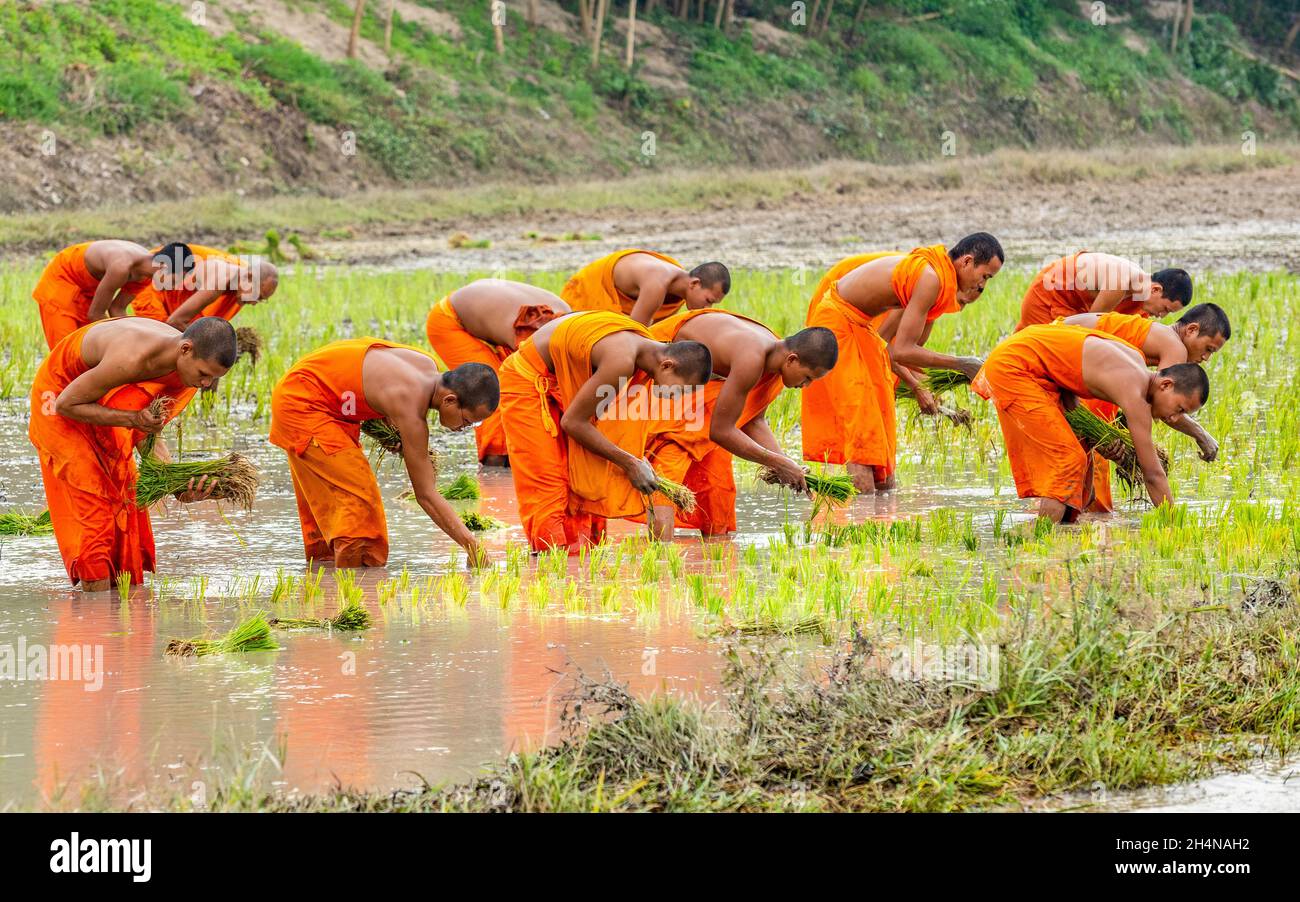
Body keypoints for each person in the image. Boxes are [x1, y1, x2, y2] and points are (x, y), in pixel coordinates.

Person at [29, 317, 235, 590]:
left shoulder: (185, 371)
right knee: (95, 504)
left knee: (125, 496)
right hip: (58, 397)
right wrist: (132, 419)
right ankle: (94, 614)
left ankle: (122, 617)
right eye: (204, 374)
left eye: (213, 378)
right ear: (185, 349)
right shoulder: (131, 357)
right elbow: (66, 404)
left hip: (100, 397)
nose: (206, 384)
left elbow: (147, 434)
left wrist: (178, 487)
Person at [269, 339, 499, 568]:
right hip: (303, 404)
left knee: (332, 505)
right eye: (468, 421)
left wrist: (389, 429)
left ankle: (324, 581)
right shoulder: (409, 406)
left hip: (320, 397)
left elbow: (367, 385)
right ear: (450, 400)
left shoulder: (424, 363)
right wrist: (472, 546)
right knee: (360, 506)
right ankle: (354, 589)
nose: (464, 428)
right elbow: (426, 495)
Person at [801, 234, 1004, 492]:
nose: (983, 287)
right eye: (985, 276)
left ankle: (881, 508)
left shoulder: (935, 284)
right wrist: (962, 364)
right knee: (862, 425)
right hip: (837, 323)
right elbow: (903, 350)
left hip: (863, 331)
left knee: (882, 421)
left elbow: (885, 343)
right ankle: (863, 517)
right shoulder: (929, 277)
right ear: (967, 262)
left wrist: (917, 385)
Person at [496, 311, 711, 552]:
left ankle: (582, 560)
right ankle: (553, 562)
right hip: (527, 380)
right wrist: (629, 463)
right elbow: (575, 423)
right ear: (668, 365)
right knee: (548, 483)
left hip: (559, 382)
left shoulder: (642, 345)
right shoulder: (622, 361)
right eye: (681, 389)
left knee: (585, 469)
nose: (677, 397)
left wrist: (629, 457)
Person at [975, 324, 1209, 522]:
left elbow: (1068, 366)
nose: (1175, 418)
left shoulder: (1135, 359)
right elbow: (1153, 474)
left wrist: (1100, 436)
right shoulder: (1135, 393)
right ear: (1166, 385)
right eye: (1179, 409)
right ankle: (1039, 543)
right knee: (1068, 459)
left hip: (1034, 367)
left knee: (1084, 462)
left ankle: (1063, 535)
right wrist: (1173, 524)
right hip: (1015, 368)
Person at [639, 309, 837, 538]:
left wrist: (785, 463)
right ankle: (662, 561)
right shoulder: (752, 358)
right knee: (669, 467)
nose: (806, 385)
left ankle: (714, 560)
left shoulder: (776, 357)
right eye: (808, 378)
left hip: (701, 398)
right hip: (663, 374)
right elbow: (721, 431)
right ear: (792, 359)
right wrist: (779, 463)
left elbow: (753, 420)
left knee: (716, 485)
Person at [425, 279, 569, 466]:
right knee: (492, 392)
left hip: (487, 317)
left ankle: (515, 458)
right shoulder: (537, 337)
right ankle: (494, 462)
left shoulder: (568, 324)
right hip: (450, 321)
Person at [33, 240, 195, 348]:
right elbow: (95, 314)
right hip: (62, 283)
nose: (174, 286)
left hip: (89, 292)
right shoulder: (121, 266)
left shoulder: (144, 275)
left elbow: (117, 308)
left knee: (85, 351)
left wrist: (135, 337)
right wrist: (121, 343)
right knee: (67, 351)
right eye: (175, 279)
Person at [1016, 251, 1192, 330]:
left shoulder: (1139, 288)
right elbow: (1090, 329)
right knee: (1037, 352)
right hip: (1051, 293)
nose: (1162, 316)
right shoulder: (1119, 283)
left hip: (1078, 307)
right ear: (1155, 289)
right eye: (1166, 309)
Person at [561, 248, 729, 325]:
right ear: (694, 283)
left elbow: (657, 332)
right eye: (708, 300)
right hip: (587, 291)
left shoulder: (677, 292)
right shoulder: (657, 282)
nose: (707, 308)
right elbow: (636, 333)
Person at [131, 245, 278, 329]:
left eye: (260, 300)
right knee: (160, 340)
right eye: (257, 296)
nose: (253, 303)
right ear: (250, 277)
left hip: (177, 300)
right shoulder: (218, 283)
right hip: (154, 289)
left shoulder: (241, 284)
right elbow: (175, 322)